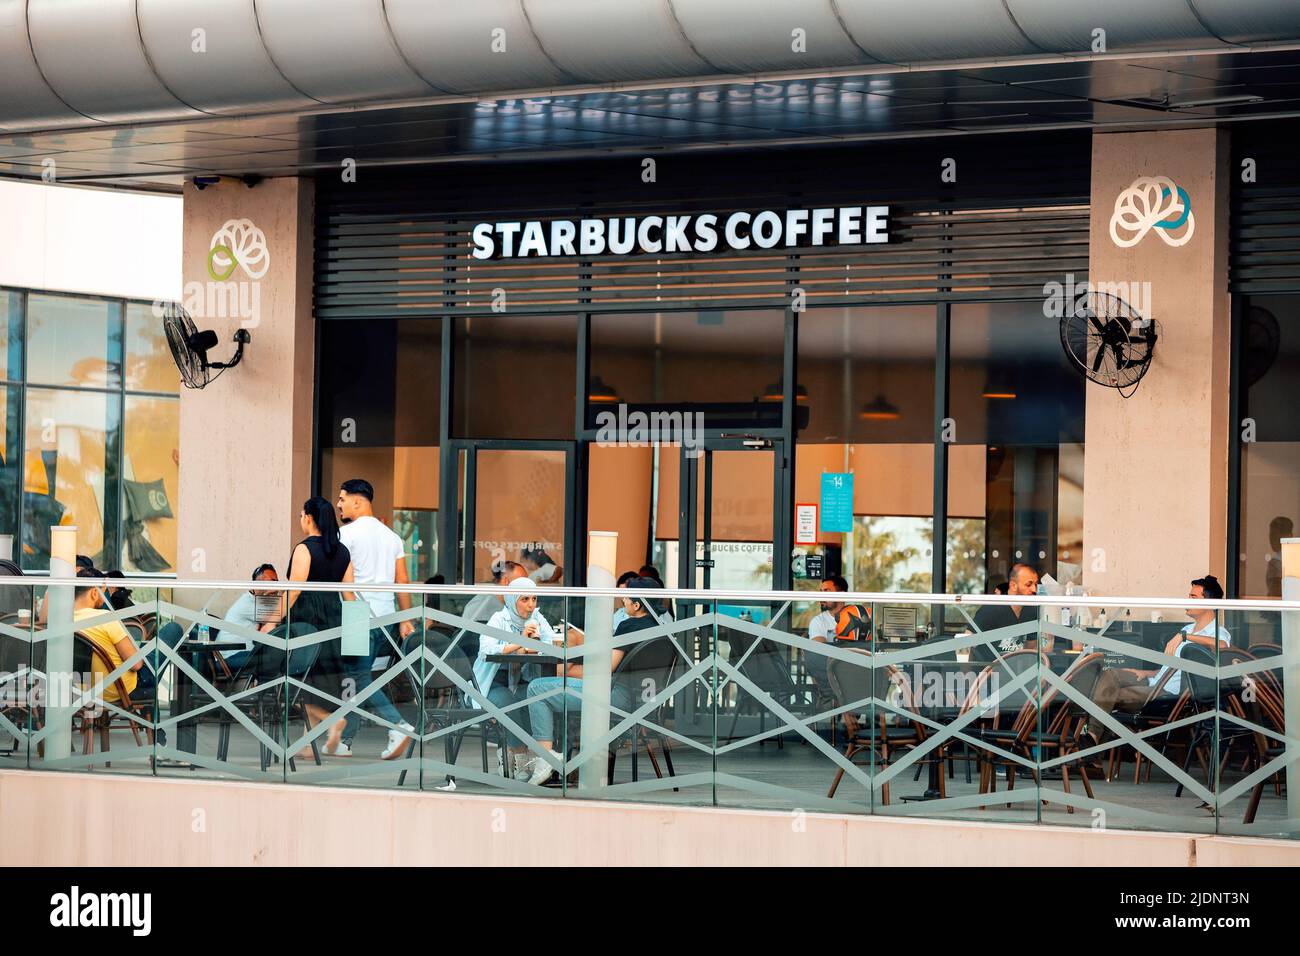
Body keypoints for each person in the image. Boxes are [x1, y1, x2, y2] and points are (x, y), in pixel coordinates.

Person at [523, 576, 660, 785]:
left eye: (625, 598)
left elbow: (606, 669)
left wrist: (571, 669)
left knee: (537, 689)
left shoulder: (629, 625)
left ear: (637, 604)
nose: (621, 602)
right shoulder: (659, 628)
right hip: (642, 704)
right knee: (559, 680)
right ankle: (561, 761)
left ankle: (546, 759)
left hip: (615, 699)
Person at [259, 496, 355, 744]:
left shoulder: (304, 549)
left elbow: (294, 591)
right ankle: (305, 743)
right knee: (317, 683)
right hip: (333, 617)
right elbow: (349, 595)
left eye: (301, 515)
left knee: (298, 681)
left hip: (306, 620)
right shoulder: (342, 551)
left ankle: (332, 720)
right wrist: (356, 634)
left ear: (309, 518)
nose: (300, 520)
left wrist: (271, 621)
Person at [334, 479, 416, 759]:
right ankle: (345, 740)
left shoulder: (346, 534)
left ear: (358, 501)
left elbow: (342, 580)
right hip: (387, 616)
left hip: (358, 614)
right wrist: (406, 619)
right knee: (358, 678)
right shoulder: (392, 536)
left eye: (343, 498)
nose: (339, 503)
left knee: (358, 677)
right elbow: (402, 580)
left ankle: (398, 725)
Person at [1093, 575, 1232, 713]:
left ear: (1209, 603)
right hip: (1154, 681)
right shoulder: (1187, 628)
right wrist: (1147, 673)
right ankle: (1093, 733)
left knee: (1112, 695)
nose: (1187, 601)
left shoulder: (1217, 631)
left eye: (1193, 597)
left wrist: (1184, 637)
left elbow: (1223, 646)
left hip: (1168, 693)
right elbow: (1172, 669)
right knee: (1109, 674)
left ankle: (1093, 733)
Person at [473, 577, 560, 780]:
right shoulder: (498, 618)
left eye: (534, 599)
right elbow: (486, 650)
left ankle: (532, 757)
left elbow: (551, 643)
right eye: (525, 599)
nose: (531, 605)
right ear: (512, 600)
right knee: (508, 703)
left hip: (521, 680)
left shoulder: (537, 617)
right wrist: (519, 641)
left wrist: (536, 644)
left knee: (538, 700)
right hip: (493, 682)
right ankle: (520, 756)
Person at [73, 567, 142, 705]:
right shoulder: (105, 618)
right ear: (94, 593)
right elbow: (136, 664)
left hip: (78, 690)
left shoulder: (63, 620)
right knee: (172, 631)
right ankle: (153, 723)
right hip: (118, 691)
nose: (105, 599)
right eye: (103, 593)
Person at [214, 563, 279, 674]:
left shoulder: (256, 601)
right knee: (273, 657)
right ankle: (265, 689)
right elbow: (277, 617)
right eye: (273, 582)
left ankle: (263, 689)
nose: (276, 586)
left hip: (239, 654)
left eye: (277, 583)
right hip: (229, 658)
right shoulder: (248, 603)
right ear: (258, 584)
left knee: (272, 655)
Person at [970, 563, 1040, 662]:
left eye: (1036, 584)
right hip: (988, 673)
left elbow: (1030, 650)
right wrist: (969, 677)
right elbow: (966, 644)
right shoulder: (991, 608)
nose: (1034, 589)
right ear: (1013, 585)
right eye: (1029, 584)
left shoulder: (1032, 611)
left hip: (1018, 674)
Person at [1267, 516, 1293, 597]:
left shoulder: (1276, 563)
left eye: (1275, 535)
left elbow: (1275, 593)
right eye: (1271, 535)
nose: (1271, 539)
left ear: (1289, 536)